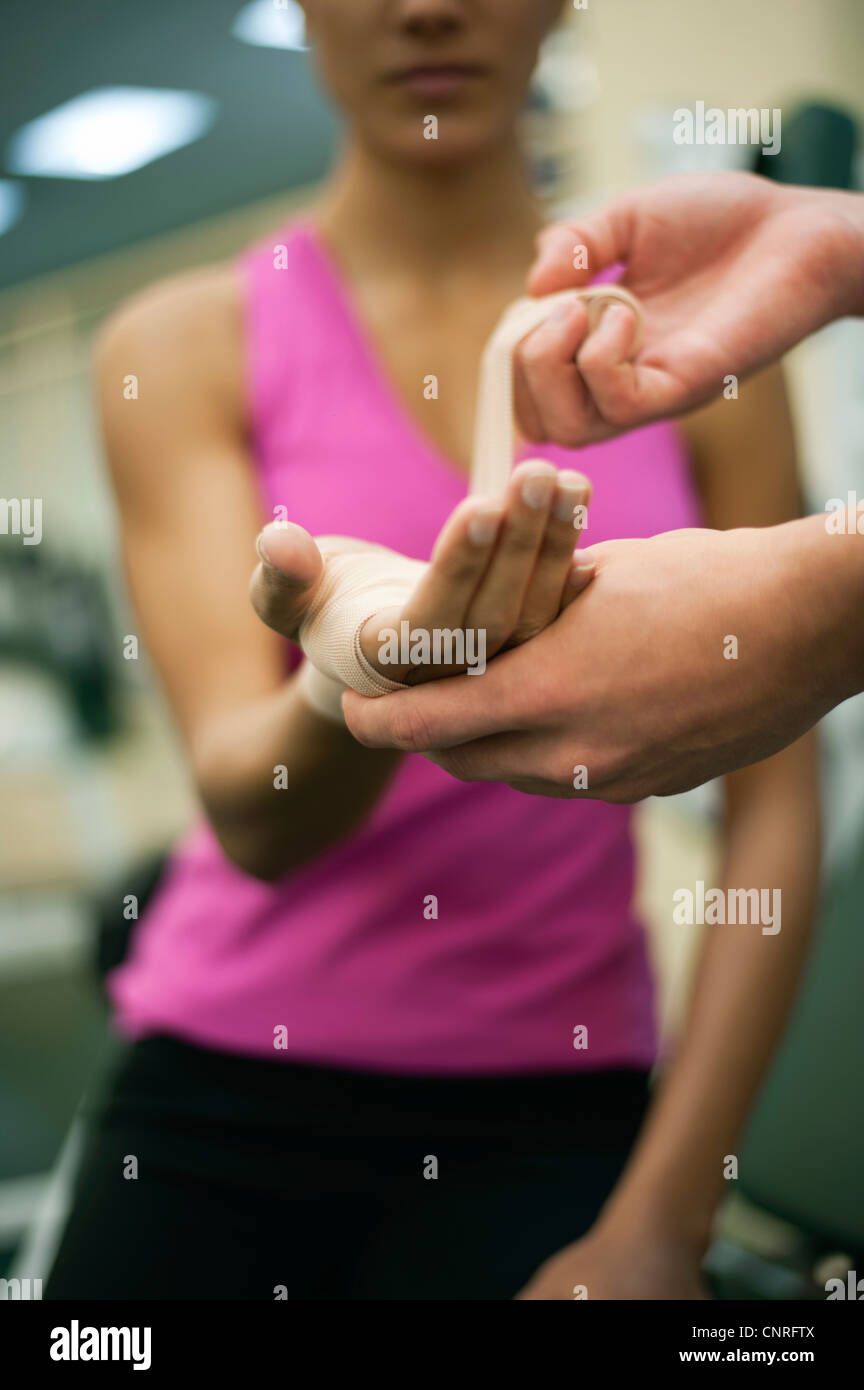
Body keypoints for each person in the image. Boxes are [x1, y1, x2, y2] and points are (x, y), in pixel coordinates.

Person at [46, 1, 819, 1301]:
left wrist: (667, 1220)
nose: (426, 7)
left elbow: (780, 799)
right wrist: (357, 679)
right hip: (228, 1091)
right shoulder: (181, 344)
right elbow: (255, 810)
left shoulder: (697, 341)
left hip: (557, 1102)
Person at [344, 174, 864, 801]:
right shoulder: (213, 332)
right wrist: (340, 664)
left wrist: (815, 610)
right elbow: (247, 808)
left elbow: (777, 787)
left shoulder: (715, 357)